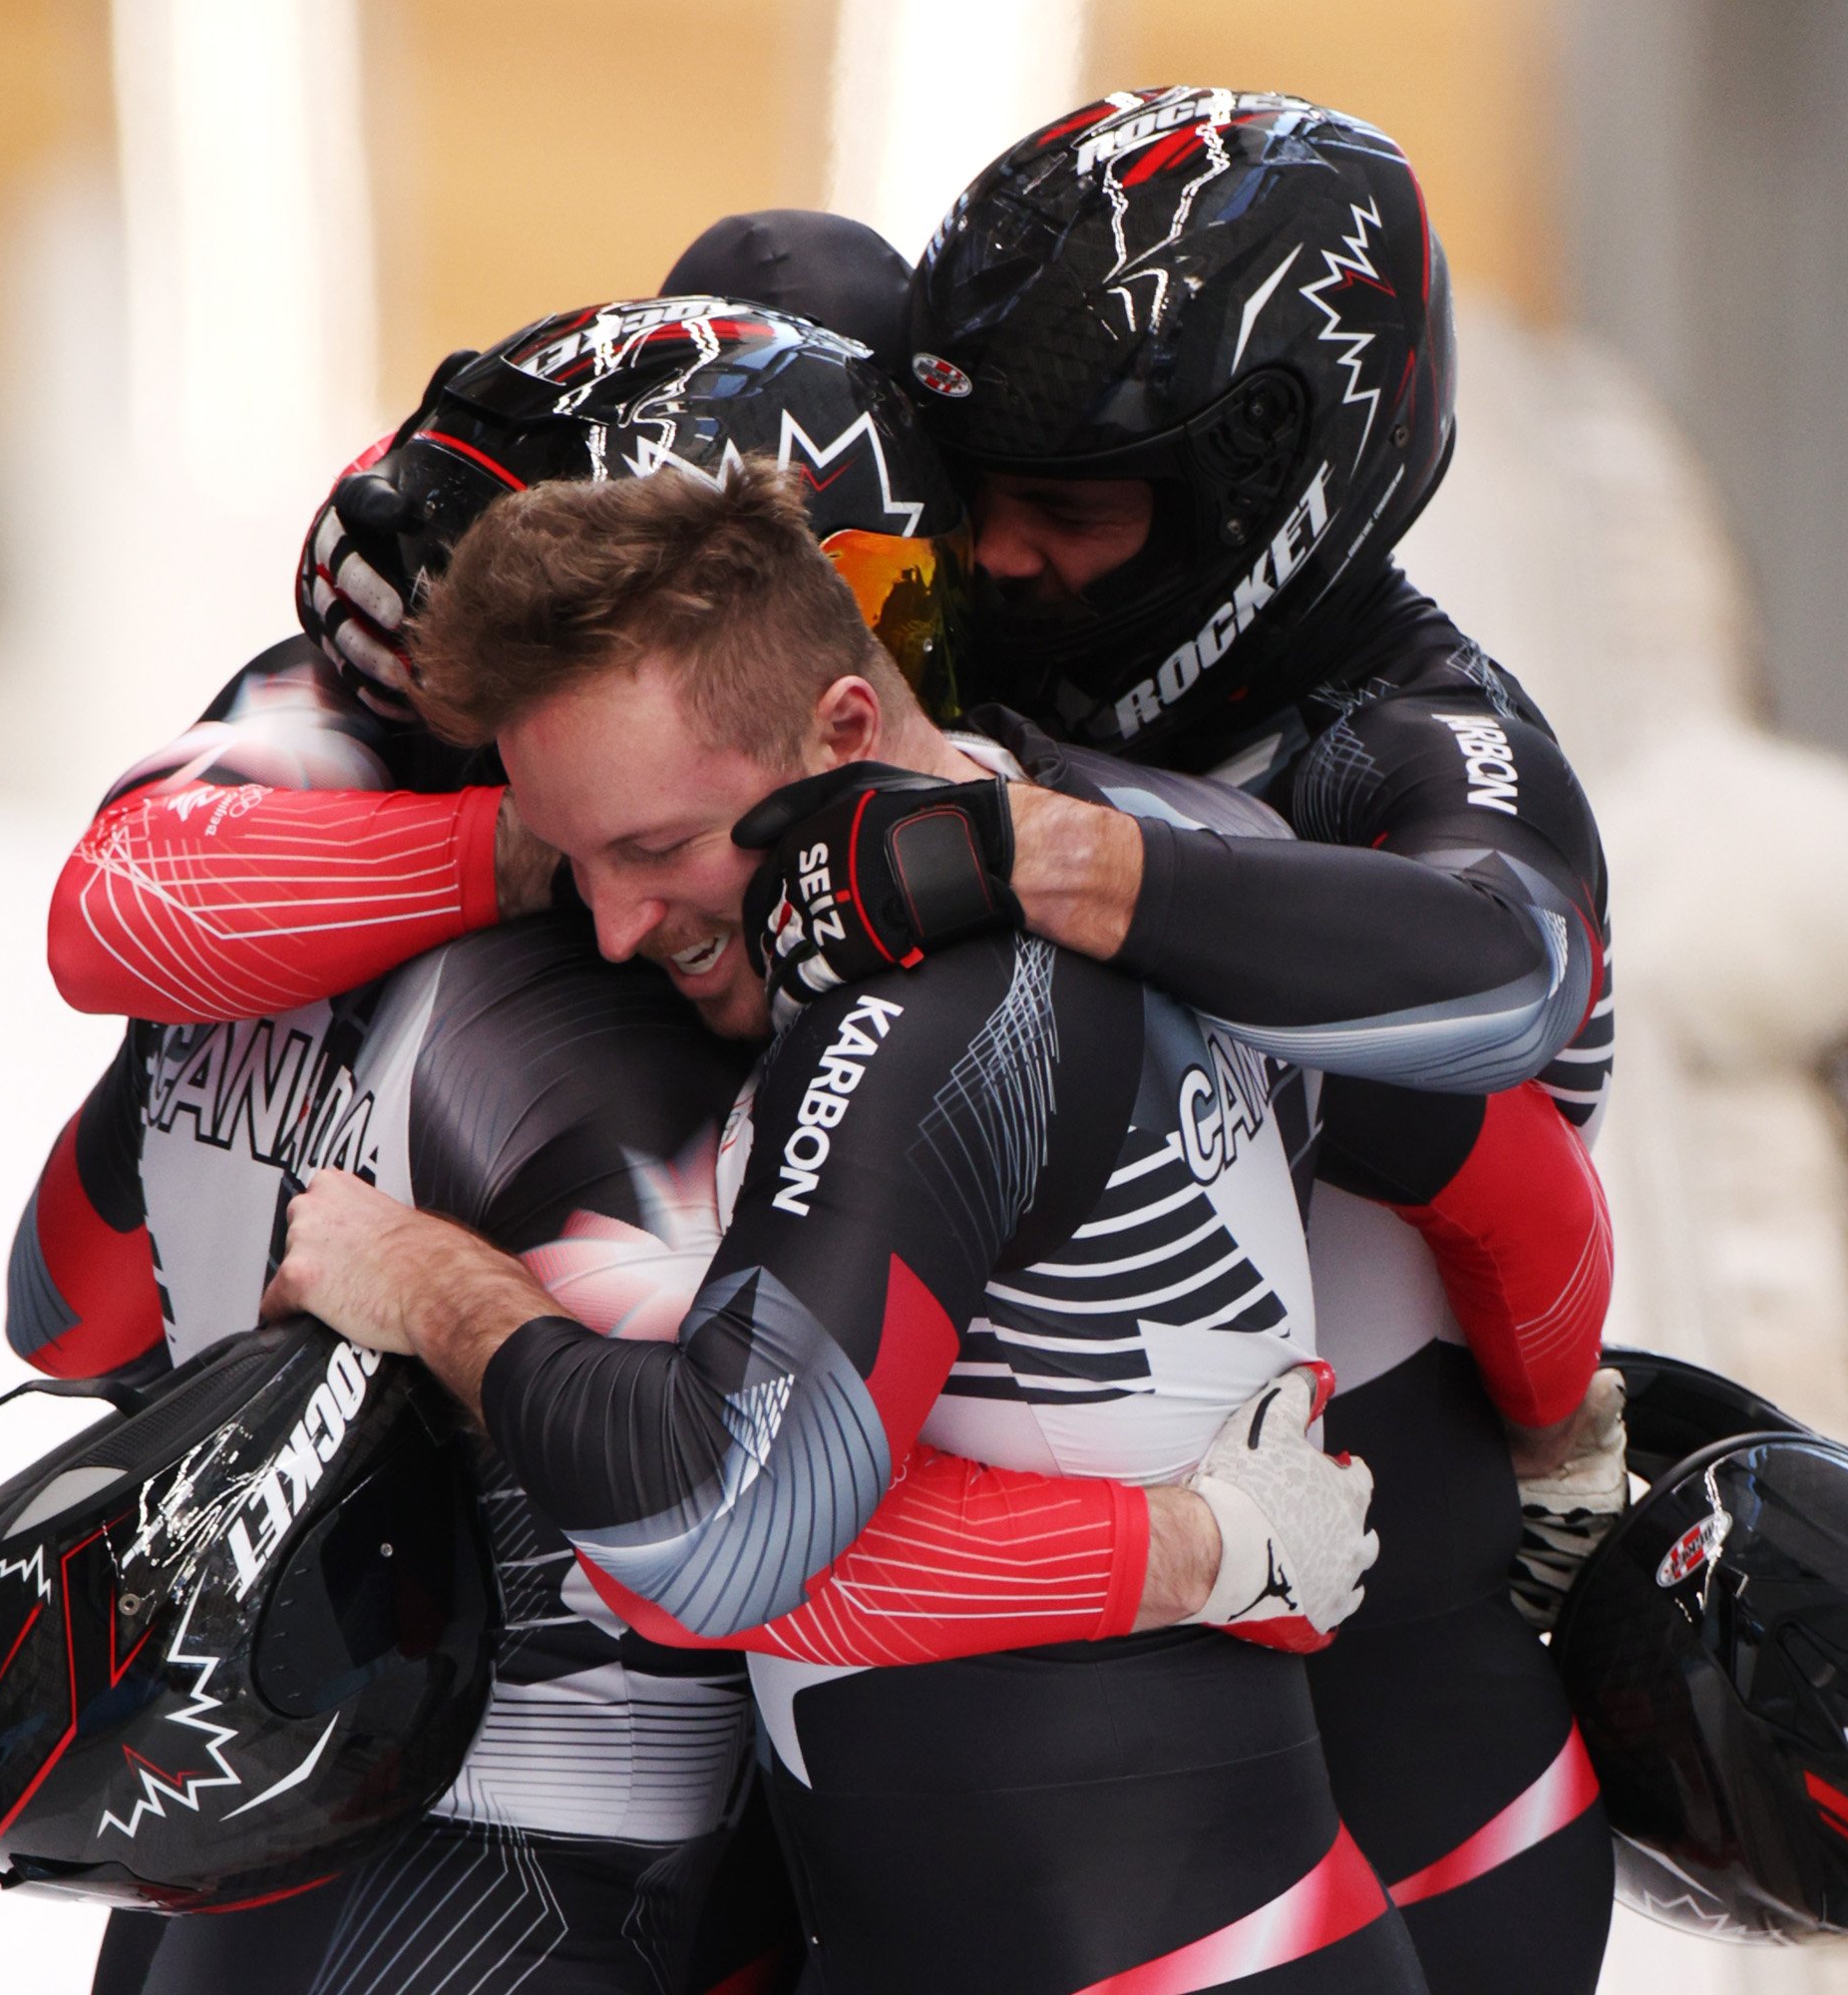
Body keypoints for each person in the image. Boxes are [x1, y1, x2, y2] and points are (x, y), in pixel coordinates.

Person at [262, 459, 1424, 1993]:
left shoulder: (942, 1010)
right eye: (579, 859)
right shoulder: (1069, 883)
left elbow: (718, 1520)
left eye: (657, 849)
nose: (610, 929)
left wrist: (427, 1287)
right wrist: (1200, 1551)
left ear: (846, 733)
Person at [728, 90, 1623, 1990]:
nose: (1006, 564)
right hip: (938, 1750)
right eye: (985, 504)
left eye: (1071, 509)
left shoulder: (1419, 733)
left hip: (1382, 1769)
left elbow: (1512, 964)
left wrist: (1042, 860)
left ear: (1270, 479)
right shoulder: (960, 645)